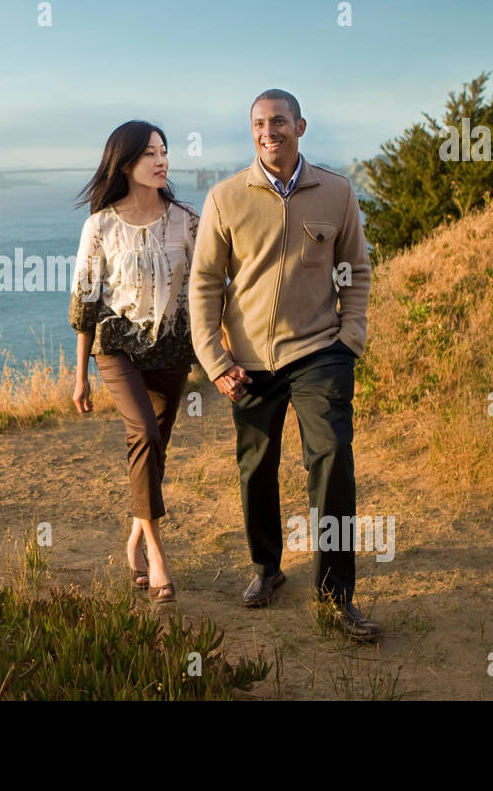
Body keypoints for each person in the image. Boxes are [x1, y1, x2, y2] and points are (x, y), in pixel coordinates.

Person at [188, 89, 383, 641]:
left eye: (278, 120)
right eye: (258, 122)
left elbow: (357, 270)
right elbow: (203, 284)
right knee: (257, 468)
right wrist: (215, 359)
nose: (268, 130)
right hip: (246, 363)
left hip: (321, 352)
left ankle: (336, 596)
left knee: (332, 463)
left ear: (299, 125)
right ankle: (266, 569)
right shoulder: (225, 198)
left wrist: (351, 338)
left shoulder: (337, 192)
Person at [69, 120, 199, 605]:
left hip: (172, 349)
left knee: (154, 451)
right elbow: (85, 303)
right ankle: (158, 555)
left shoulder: (188, 219)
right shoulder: (100, 226)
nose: (162, 160)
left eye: (164, 151)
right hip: (116, 348)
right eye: (149, 153)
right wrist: (79, 374)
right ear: (124, 163)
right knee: (144, 435)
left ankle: (134, 537)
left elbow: (205, 290)